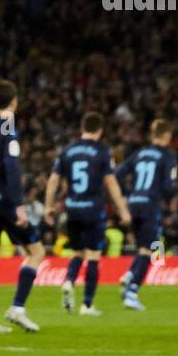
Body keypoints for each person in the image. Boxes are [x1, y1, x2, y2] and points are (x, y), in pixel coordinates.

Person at [0, 79, 44, 334]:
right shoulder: (7, 125)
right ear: (14, 101)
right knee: (36, 252)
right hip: (4, 203)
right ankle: (17, 308)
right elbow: (11, 167)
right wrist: (19, 206)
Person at [45, 112, 131, 316]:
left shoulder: (67, 150)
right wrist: (122, 210)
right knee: (93, 256)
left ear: (82, 128)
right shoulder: (102, 151)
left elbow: (53, 180)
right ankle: (87, 304)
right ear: (99, 130)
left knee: (77, 252)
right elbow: (110, 182)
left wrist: (49, 206)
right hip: (93, 209)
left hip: (72, 209)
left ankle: (68, 281)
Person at [116, 119, 178, 311]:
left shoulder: (140, 153)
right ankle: (132, 291)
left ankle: (129, 275)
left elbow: (118, 173)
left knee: (145, 246)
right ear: (167, 136)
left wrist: (128, 194)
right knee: (149, 250)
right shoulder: (168, 156)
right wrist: (174, 191)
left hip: (134, 203)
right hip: (150, 205)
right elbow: (169, 187)